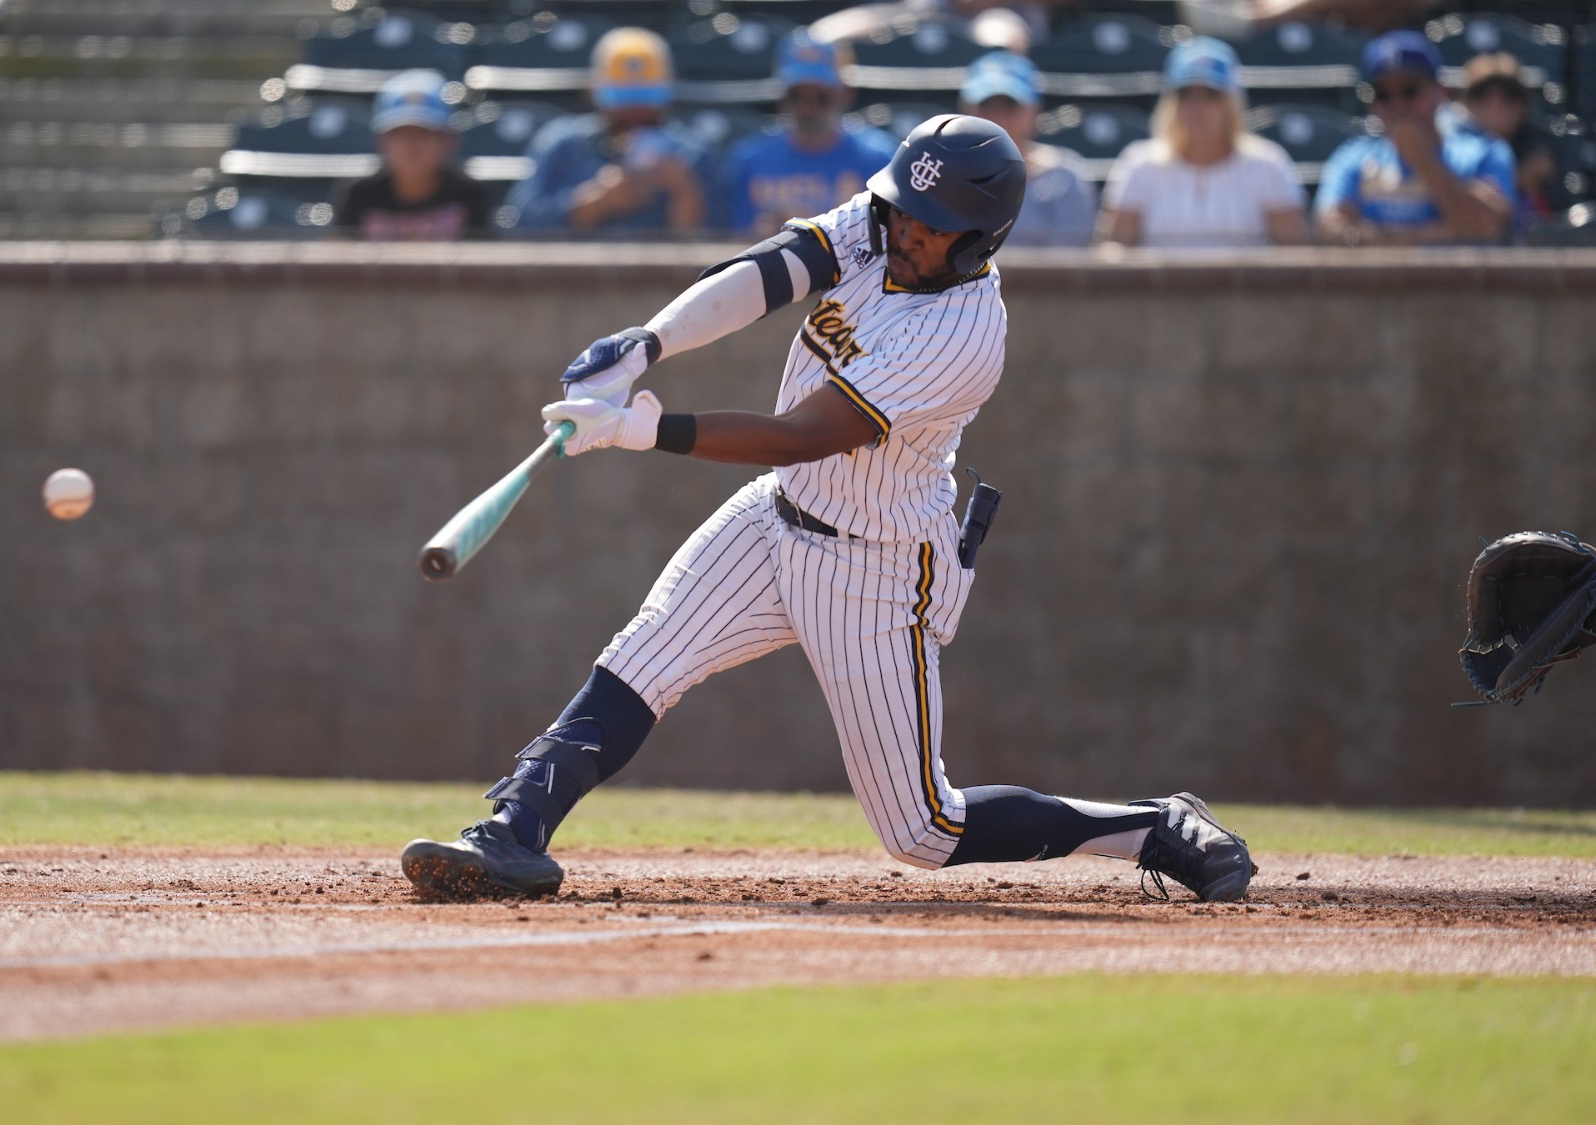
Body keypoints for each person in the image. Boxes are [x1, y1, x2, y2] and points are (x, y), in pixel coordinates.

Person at [401, 115, 1257, 906]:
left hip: (876, 563)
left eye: (932, 227)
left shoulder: (961, 335)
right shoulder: (887, 220)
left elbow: (803, 435)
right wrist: (650, 342)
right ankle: (513, 830)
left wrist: (636, 427)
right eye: (903, 213)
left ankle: (1150, 824)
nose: (908, 234)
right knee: (641, 658)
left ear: (979, 240)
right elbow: (772, 269)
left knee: (924, 829)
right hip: (776, 518)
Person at [1099, 37, 1306, 248]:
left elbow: (1294, 253)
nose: (1197, 107)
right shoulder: (1139, 165)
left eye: (1211, 94)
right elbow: (1115, 251)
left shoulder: (1267, 165)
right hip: (1163, 281)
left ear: (1232, 103)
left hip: (1244, 282)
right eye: (1186, 94)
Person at [1315, 32, 1514, 246]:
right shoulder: (1353, 156)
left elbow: (1487, 227)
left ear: (1440, 92)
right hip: (1379, 280)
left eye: (1410, 91)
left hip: (1459, 279)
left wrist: (1421, 157)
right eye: (1383, 94)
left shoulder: (1484, 152)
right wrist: (1441, 233)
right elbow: (1331, 230)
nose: (1398, 104)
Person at [507, 27, 708, 234]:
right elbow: (515, 225)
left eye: (648, 95)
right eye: (620, 96)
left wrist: (684, 191)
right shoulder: (562, 145)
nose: (634, 109)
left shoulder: (693, 155)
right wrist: (595, 201)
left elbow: (722, 248)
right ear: (595, 92)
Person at [722, 29, 893, 239]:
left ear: (844, 92)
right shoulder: (749, 160)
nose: (807, 106)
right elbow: (731, 242)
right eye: (796, 95)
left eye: (820, 96)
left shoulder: (878, 159)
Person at [332, 70, 493, 240]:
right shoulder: (359, 194)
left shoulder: (470, 195)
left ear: (449, 140)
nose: (411, 146)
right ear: (381, 141)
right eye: (400, 134)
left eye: (424, 134)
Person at [959, 50, 1095, 248]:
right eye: (986, 105)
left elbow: (1068, 265)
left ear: (1035, 110)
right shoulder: (944, 175)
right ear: (966, 109)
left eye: (1009, 106)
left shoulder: (1065, 177)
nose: (998, 117)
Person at [1458, 52, 1560, 225]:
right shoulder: (1451, 145)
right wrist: (1517, 178)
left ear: (1523, 105)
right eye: (1482, 94)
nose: (1496, 103)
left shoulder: (1537, 148)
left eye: (1509, 94)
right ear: (1467, 102)